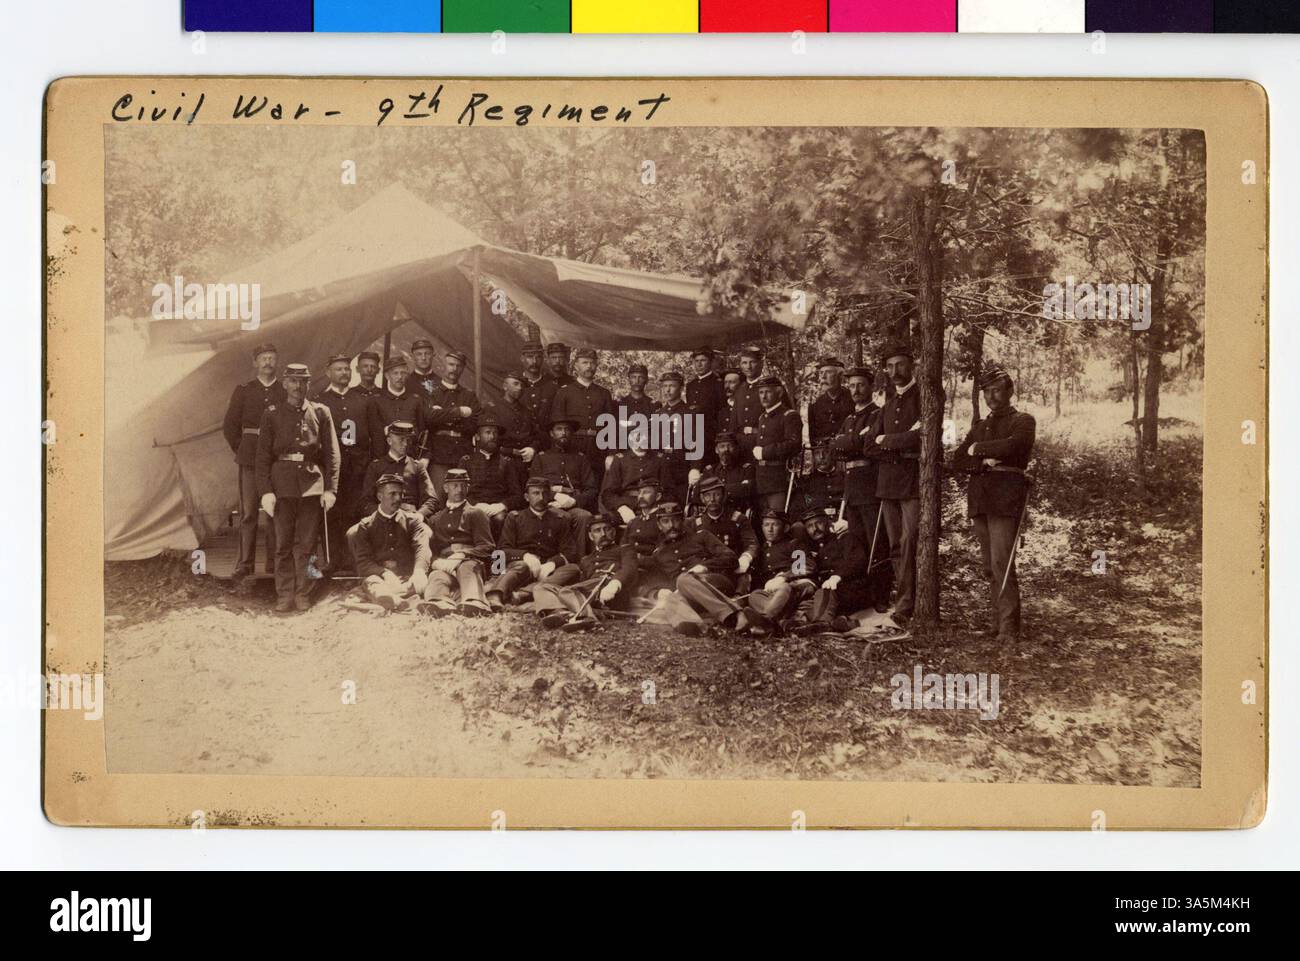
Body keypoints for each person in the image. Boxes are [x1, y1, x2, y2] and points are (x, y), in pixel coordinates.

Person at [951, 364, 1037, 643]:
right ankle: (996, 621)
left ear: (1010, 391)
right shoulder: (980, 425)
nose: (992, 397)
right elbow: (959, 460)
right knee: (988, 564)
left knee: (1002, 560)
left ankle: (1009, 626)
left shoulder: (1023, 420)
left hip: (1005, 498)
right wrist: (982, 460)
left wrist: (980, 449)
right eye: (987, 392)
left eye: (997, 390)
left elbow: (1016, 446)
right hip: (980, 498)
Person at [255, 363, 340, 613]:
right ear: (284, 384)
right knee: (281, 545)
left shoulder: (321, 412)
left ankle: (304, 593)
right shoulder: (272, 414)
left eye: (303, 381)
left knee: (308, 545)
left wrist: (330, 489)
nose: (298, 386)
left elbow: (332, 454)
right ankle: (284, 594)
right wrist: (266, 491)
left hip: (312, 485)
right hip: (281, 486)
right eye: (293, 381)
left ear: (309, 384)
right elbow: (261, 458)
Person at [222, 342, 284, 578]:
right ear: (255, 363)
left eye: (271, 357)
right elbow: (229, 426)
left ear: (276, 361)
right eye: (263, 358)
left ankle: (273, 563)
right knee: (248, 513)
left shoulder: (283, 391)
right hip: (249, 458)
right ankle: (245, 563)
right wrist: (242, 449)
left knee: (273, 512)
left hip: (275, 460)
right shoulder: (244, 391)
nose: (268, 362)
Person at [832, 367, 892, 608]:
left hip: (871, 485)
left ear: (871, 387)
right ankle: (862, 595)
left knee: (877, 542)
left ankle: (881, 597)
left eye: (861, 385)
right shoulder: (849, 419)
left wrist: (850, 443)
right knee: (856, 544)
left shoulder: (877, 414)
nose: (856, 391)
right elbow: (835, 446)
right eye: (852, 386)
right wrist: (851, 442)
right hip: (852, 487)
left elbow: (867, 446)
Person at [314, 352, 379, 572]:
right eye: (339, 369)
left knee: (355, 512)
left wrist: (374, 465)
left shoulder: (363, 400)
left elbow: (375, 435)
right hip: (332, 468)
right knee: (332, 512)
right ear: (328, 373)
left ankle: (354, 560)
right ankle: (333, 560)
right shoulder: (320, 402)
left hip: (359, 468)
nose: (344, 373)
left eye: (347, 369)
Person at [871, 344, 921, 625]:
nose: (895, 372)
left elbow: (927, 435)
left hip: (912, 482)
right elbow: (869, 445)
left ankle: (907, 604)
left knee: (910, 542)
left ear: (911, 365)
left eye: (900, 365)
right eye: (889, 367)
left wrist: (887, 441)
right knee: (894, 547)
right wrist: (902, 442)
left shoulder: (924, 398)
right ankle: (902, 603)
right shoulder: (887, 405)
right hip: (888, 483)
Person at [641, 503, 739, 636]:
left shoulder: (702, 536)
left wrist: (705, 567)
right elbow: (654, 579)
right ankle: (699, 627)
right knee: (670, 597)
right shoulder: (659, 553)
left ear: (682, 520)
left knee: (683, 579)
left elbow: (731, 558)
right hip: (689, 595)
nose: (671, 525)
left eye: (675, 520)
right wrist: (658, 591)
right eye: (665, 521)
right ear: (659, 525)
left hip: (714, 584)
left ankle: (733, 616)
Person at [346, 472, 434, 613]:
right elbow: (363, 563)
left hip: (407, 576)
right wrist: (385, 573)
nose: (398, 498)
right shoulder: (366, 526)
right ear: (380, 496)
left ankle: (390, 599)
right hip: (380, 578)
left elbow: (422, 548)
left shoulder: (412, 521)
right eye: (392, 494)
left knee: (418, 584)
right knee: (373, 583)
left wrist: (419, 572)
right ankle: (391, 599)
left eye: (400, 494)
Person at [534, 513, 639, 629]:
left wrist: (614, 585)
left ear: (613, 532)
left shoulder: (625, 550)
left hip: (611, 591)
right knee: (541, 587)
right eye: (597, 531)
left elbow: (630, 568)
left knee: (568, 591)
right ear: (590, 536)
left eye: (607, 529)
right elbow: (583, 584)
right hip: (590, 593)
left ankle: (588, 618)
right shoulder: (586, 559)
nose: (603, 534)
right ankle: (561, 612)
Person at [484, 476, 573, 611]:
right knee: (522, 566)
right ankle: (495, 595)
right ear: (526, 497)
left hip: (546, 571)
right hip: (520, 569)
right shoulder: (515, 518)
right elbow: (501, 551)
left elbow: (570, 552)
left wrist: (552, 564)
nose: (541, 497)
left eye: (544, 493)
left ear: (549, 496)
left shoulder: (560, 519)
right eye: (536, 493)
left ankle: (522, 594)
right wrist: (525, 556)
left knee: (573, 570)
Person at [732, 509, 816, 638]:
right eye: (766, 525)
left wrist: (784, 577)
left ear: (786, 527)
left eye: (775, 525)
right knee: (754, 595)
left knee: (784, 588)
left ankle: (766, 620)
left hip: (795, 585)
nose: (769, 529)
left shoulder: (794, 544)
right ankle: (779, 623)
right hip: (772, 594)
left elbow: (805, 566)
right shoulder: (763, 549)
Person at [789, 506, 872, 635]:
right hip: (829, 594)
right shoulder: (810, 546)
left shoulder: (844, 537)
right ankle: (841, 623)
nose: (815, 529)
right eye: (810, 526)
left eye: (819, 523)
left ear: (828, 522)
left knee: (824, 593)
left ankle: (821, 624)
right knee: (804, 603)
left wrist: (837, 576)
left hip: (853, 589)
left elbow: (857, 561)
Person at [423, 468, 494, 617]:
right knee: (437, 575)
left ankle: (475, 602)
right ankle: (438, 602)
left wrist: (462, 554)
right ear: (445, 488)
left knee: (467, 568)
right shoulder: (435, 519)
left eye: (463, 485)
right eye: (455, 485)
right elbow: (431, 551)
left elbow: (488, 547)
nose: (459, 490)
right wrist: (437, 562)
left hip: (471, 562)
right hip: (446, 565)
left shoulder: (475, 513)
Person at [531, 416, 597, 557]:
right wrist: (554, 496)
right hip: (548, 504)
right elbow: (533, 486)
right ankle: (559, 559)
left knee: (584, 516)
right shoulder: (541, 457)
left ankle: (579, 560)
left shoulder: (580, 458)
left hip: (574, 504)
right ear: (551, 433)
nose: (563, 433)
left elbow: (591, 489)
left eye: (567, 429)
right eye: (559, 429)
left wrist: (575, 501)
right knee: (562, 517)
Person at [551, 346, 615, 487]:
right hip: (573, 447)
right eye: (585, 362)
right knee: (574, 485)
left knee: (595, 486)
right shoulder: (564, 392)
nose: (589, 366)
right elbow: (557, 425)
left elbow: (611, 425)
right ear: (576, 365)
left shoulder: (603, 393)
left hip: (598, 449)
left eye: (592, 363)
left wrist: (611, 453)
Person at [459, 411, 525, 537]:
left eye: (495, 433)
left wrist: (502, 505)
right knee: (478, 518)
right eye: (488, 432)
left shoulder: (506, 462)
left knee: (500, 519)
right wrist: (476, 505)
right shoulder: (466, 461)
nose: (493, 436)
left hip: (498, 509)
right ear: (477, 436)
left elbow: (517, 495)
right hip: (474, 508)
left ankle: (498, 555)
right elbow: (461, 493)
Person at [361, 421, 439, 522]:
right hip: (383, 521)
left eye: (408, 440)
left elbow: (432, 500)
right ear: (389, 441)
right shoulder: (376, 467)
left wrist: (418, 515)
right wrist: (384, 514)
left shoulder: (417, 467)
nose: (405, 444)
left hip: (410, 520)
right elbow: (365, 503)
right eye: (401, 440)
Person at [425, 349, 480, 491]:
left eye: (458, 366)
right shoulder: (433, 394)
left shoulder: (469, 395)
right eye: (451, 364)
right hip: (439, 455)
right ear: (444, 365)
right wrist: (460, 412)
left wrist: (443, 416)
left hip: (463, 454)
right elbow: (429, 419)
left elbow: (474, 424)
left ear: (462, 369)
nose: (454, 369)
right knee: (439, 496)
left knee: (462, 495)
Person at [750, 373, 803, 512]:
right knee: (763, 522)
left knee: (777, 519)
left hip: (777, 477)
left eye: (767, 391)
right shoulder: (763, 417)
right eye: (761, 392)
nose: (763, 396)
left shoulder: (789, 415)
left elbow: (794, 444)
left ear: (779, 392)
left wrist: (765, 452)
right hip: (761, 478)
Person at [729, 346, 790, 457]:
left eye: (752, 362)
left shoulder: (772, 387)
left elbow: (783, 418)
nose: (748, 366)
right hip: (741, 447)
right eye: (744, 363)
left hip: (764, 446)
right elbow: (734, 421)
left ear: (761, 364)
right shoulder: (740, 389)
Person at [600, 429, 669, 521]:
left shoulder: (659, 459)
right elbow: (608, 495)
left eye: (646, 435)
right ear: (630, 440)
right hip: (627, 505)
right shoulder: (620, 460)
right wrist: (622, 508)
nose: (644, 438)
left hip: (654, 504)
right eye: (639, 436)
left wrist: (657, 506)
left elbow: (669, 490)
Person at [691, 475, 758, 564]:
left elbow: (752, 544)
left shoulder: (738, 520)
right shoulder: (695, 524)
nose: (712, 499)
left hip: (733, 567)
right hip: (706, 570)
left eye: (717, 494)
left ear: (723, 496)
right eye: (707, 496)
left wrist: (745, 559)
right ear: (702, 499)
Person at [368, 354, 425, 456]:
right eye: (395, 373)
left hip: (410, 457)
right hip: (384, 457)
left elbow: (422, 431)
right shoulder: (376, 400)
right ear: (387, 376)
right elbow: (374, 432)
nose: (400, 377)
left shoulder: (415, 400)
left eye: (403, 373)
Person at [655, 370, 696, 504]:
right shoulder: (658, 413)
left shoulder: (690, 413)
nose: (667, 390)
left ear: (681, 388)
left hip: (681, 468)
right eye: (665, 386)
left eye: (672, 386)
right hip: (662, 469)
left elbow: (696, 445)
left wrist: (695, 468)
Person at [485, 371, 539, 465]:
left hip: (525, 462)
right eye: (515, 384)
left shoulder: (527, 411)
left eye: (522, 385)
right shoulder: (492, 409)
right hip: (500, 461)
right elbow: (488, 440)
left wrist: (533, 448)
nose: (520, 388)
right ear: (505, 386)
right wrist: (511, 451)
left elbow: (537, 435)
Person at [700, 431, 755, 518]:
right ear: (716, 450)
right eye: (722, 446)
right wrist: (735, 487)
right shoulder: (709, 471)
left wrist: (715, 490)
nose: (726, 449)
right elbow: (699, 492)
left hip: (737, 515)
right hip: (713, 515)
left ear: (736, 448)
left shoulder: (746, 469)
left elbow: (748, 489)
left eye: (730, 446)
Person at [686, 347, 725, 463]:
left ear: (711, 362)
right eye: (696, 361)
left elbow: (722, 410)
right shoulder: (690, 385)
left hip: (710, 433)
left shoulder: (718, 383)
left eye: (703, 360)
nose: (699, 364)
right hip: (693, 433)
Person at [808, 357, 855, 445]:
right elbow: (813, 437)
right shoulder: (815, 404)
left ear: (840, 376)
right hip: (824, 454)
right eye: (821, 373)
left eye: (828, 372)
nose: (823, 377)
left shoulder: (853, 399)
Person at [620, 478, 664, 556]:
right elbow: (623, 547)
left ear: (658, 496)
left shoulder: (663, 521)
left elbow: (662, 552)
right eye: (639, 493)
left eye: (646, 492)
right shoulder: (633, 522)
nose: (640, 496)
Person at [519, 342, 559, 425]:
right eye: (530, 357)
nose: (534, 361)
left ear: (543, 359)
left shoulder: (553, 386)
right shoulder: (516, 384)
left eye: (538, 357)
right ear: (522, 358)